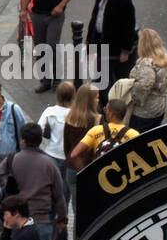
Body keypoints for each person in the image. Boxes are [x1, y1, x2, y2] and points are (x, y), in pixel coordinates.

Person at [9, 122, 67, 240]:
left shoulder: (12, 160)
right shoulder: (50, 164)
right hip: (42, 220)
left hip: (17, 219)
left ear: (23, 140)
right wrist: (62, 219)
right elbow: (59, 195)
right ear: (40, 140)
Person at [22, 0, 76, 94]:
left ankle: (57, 80)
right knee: (40, 49)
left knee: (51, 46)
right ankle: (45, 81)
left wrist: (60, 6)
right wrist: (23, 9)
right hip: (38, 14)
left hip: (55, 16)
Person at [85, 0, 137, 104]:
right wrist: (89, 43)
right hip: (101, 43)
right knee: (102, 76)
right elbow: (95, 18)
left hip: (114, 46)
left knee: (108, 78)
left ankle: (107, 105)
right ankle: (103, 103)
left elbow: (129, 25)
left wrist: (126, 50)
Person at [128, 28, 167, 132]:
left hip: (145, 109)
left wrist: (134, 98)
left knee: (139, 137)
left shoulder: (146, 63)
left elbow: (143, 85)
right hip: (161, 105)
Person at [62, 84, 99, 215]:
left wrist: (69, 158)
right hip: (89, 166)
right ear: (90, 100)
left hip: (71, 167)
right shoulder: (96, 120)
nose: (98, 100)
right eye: (96, 97)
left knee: (76, 206)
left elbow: (66, 144)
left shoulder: (70, 117)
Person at [69, 99, 139, 166]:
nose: (105, 112)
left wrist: (84, 172)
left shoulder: (96, 130)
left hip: (100, 176)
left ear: (111, 114)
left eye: (106, 110)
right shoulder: (134, 134)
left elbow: (74, 155)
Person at [38, 80, 74, 200]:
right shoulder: (75, 114)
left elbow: (38, 130)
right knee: (65, 191)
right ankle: (63, 216)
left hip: (51, 154)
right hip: (68, 157)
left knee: (49, 189)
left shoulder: (49, 111)